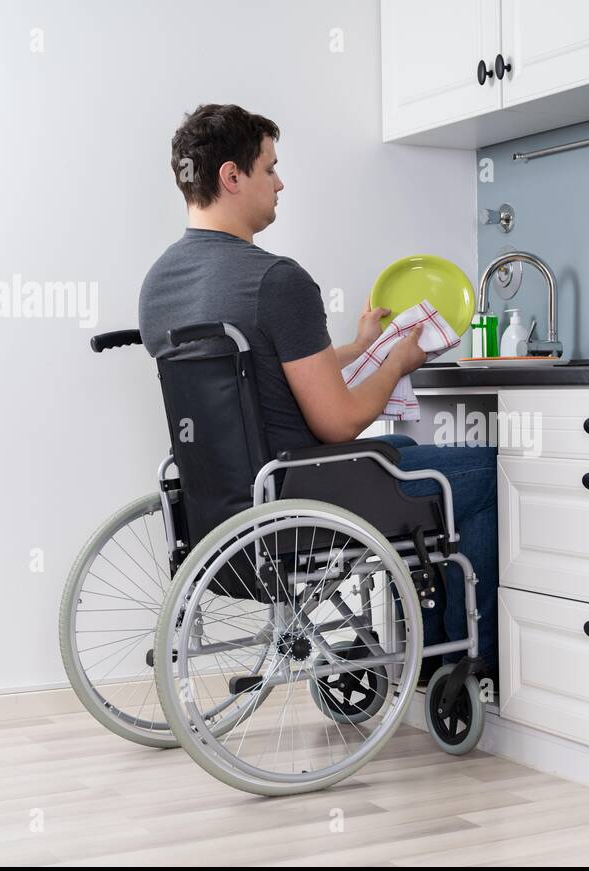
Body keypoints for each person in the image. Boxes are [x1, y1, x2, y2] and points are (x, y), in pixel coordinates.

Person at [137, 104, 497, 680]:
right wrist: (400, 359)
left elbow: (258, 372)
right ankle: (463, 662)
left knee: (424, 463)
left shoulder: (159, 284)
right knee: (486, 473)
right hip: (309, 494)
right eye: (269, 168)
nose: (280, 183)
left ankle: (434, 659)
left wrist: (359, 349)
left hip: (229, 504)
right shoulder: (276, 279)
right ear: (232, 177)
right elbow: (340, 423)